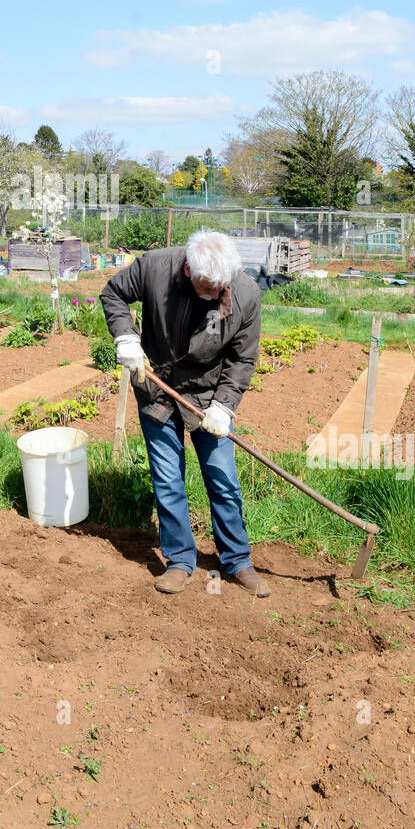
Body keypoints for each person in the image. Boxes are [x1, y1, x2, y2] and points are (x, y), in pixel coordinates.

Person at [99, 228, 269, 597]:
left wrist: (224, 406)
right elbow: (113, 293)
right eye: (206, 286)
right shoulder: (155, 267)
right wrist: (125, 337)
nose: (213, 294)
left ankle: (237, 560)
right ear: (189, 269)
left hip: (209, 395)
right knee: (167, 479)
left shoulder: (244, 293)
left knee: (223, 480)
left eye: (219, 287)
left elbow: (242, 358)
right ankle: (179, 561)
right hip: (157, 389)